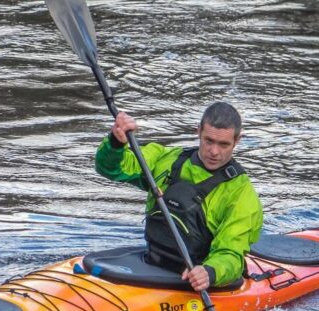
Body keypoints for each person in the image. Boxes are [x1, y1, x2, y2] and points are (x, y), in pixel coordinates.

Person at [95, 101, 263, 292]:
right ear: (198, 131)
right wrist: (116, 143)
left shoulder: (241, 195)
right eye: (209, 141)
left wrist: (210, 271)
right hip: (152, 263)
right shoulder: (165, 159)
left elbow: (231, 254)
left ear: (237, 140)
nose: (214, 152)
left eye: (224, 144)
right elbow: (110, 168)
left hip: (195, 278)